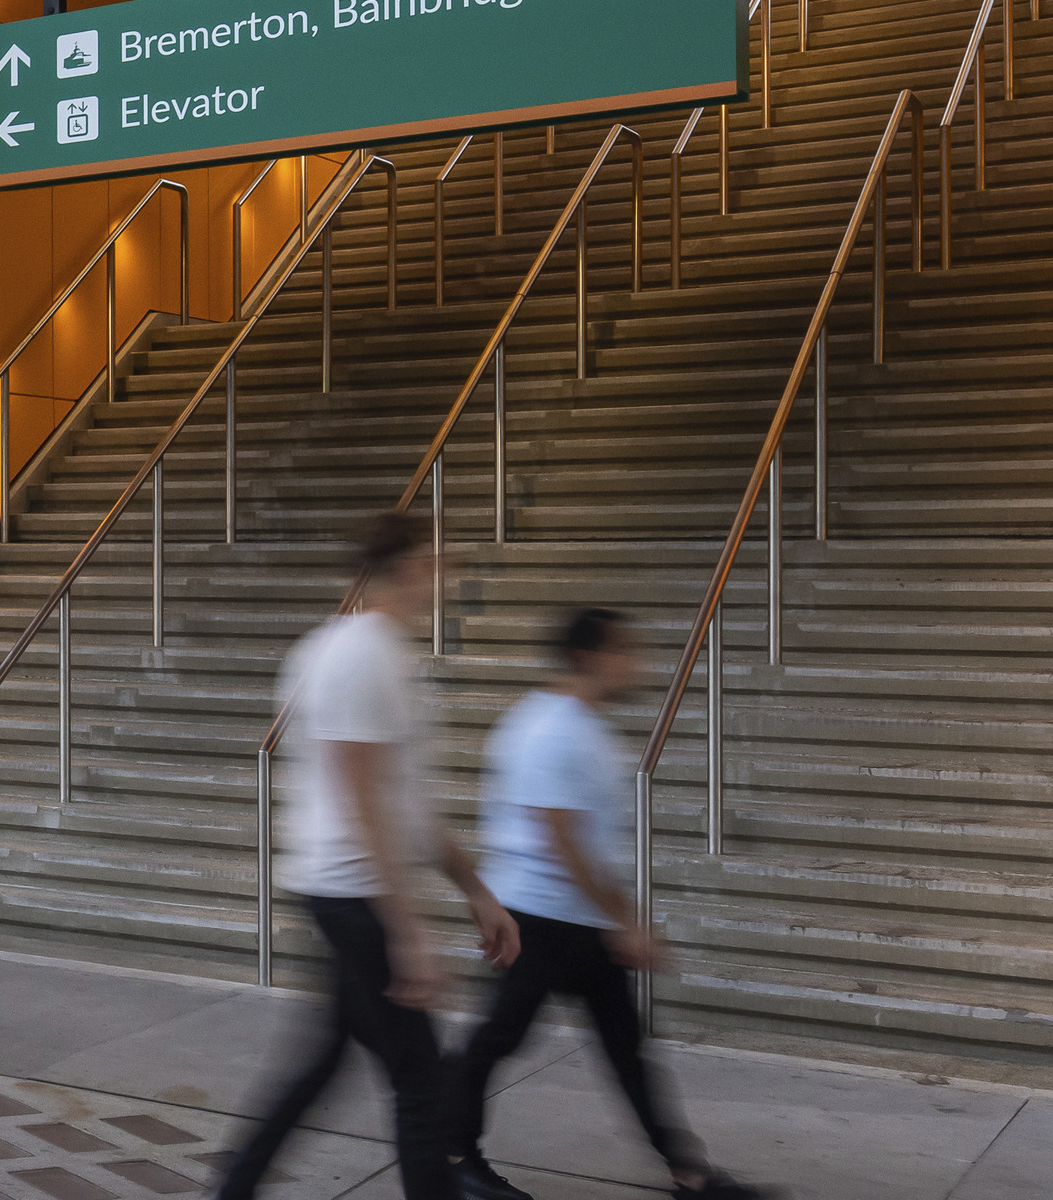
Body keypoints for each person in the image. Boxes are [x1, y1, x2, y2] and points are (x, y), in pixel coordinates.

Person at [209, 512, 517, 1200]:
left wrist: (475, 889)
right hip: (352, 892)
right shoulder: (358, 656)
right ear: (406, 567)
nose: (445, 578)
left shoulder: (356, 650)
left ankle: (235, 1184)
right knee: (421, 1082)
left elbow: (403, 801)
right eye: (438, 563)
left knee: (324, 1059)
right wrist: (408, 932)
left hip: (344, 887)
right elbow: (363, 800)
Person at [442, 610, 755, 1200]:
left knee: (623, 1048)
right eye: (624, 651)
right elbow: (562, 843)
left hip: (575, 919)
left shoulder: (579, 725)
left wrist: (614, 919)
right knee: (497, 1039)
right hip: (535, 916)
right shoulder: (550, 728)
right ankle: (453, 1155)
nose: (636, 663)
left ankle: (690, 1173)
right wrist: (627, 922)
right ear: (586, 658)